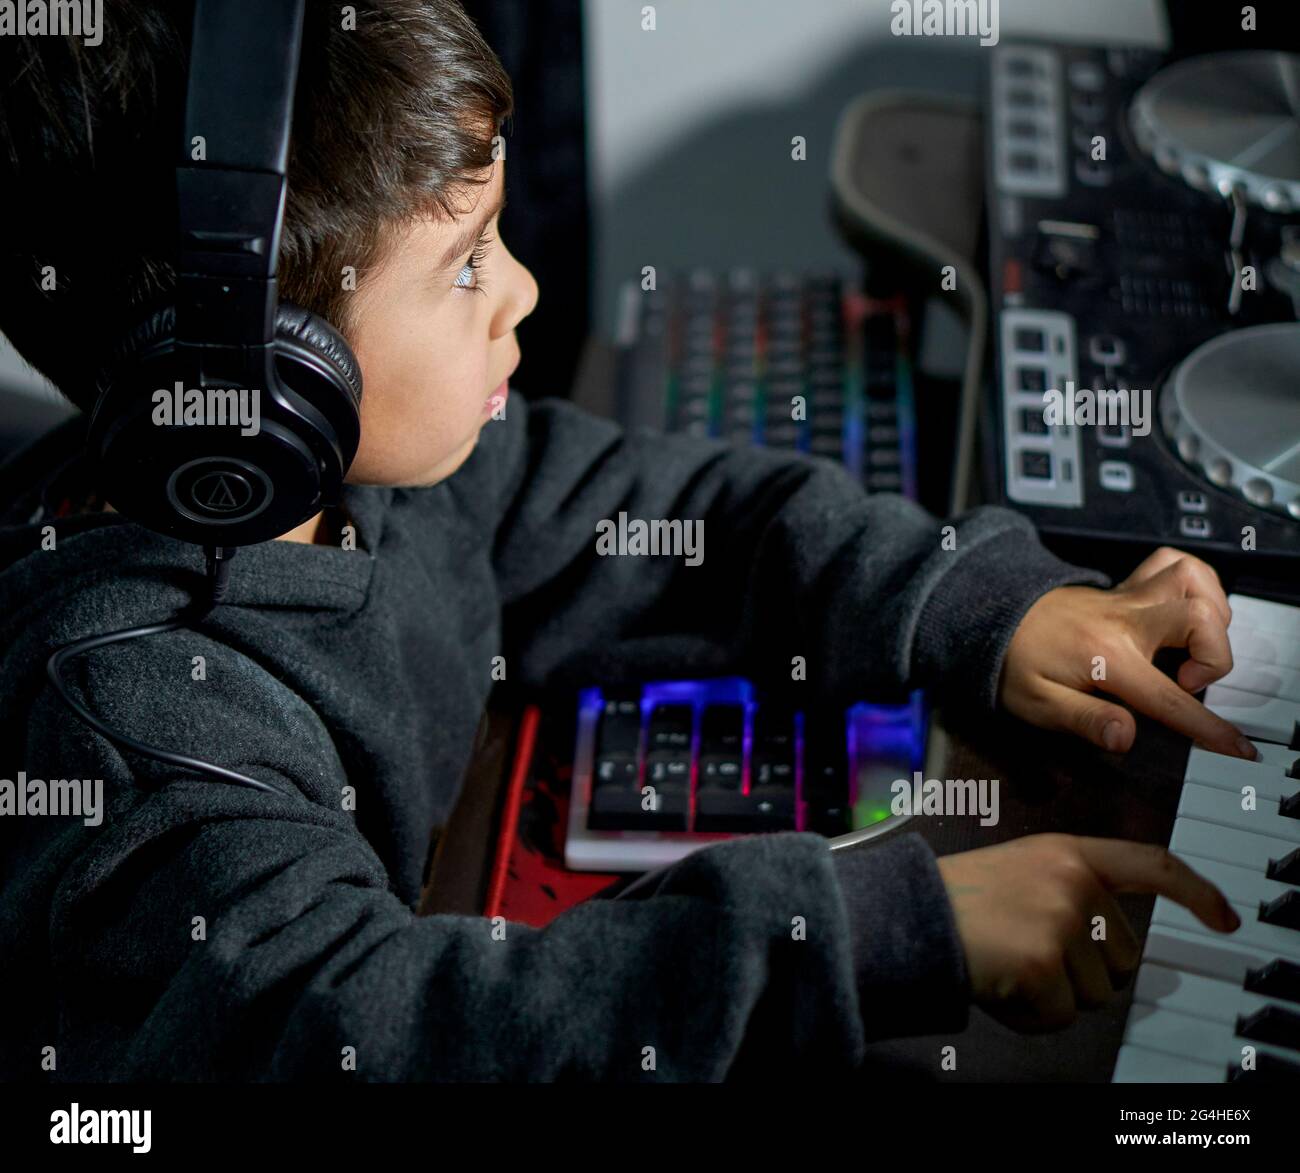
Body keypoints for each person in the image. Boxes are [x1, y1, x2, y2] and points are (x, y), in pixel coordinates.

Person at [0, 0, 1247, 1081]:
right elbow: (372, 1034)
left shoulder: (376, 478)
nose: (526, 290)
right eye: (463, 266)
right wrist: (884, 928)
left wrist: (979, 604)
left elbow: (669, 515)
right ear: (274, 377)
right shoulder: (136, 724)